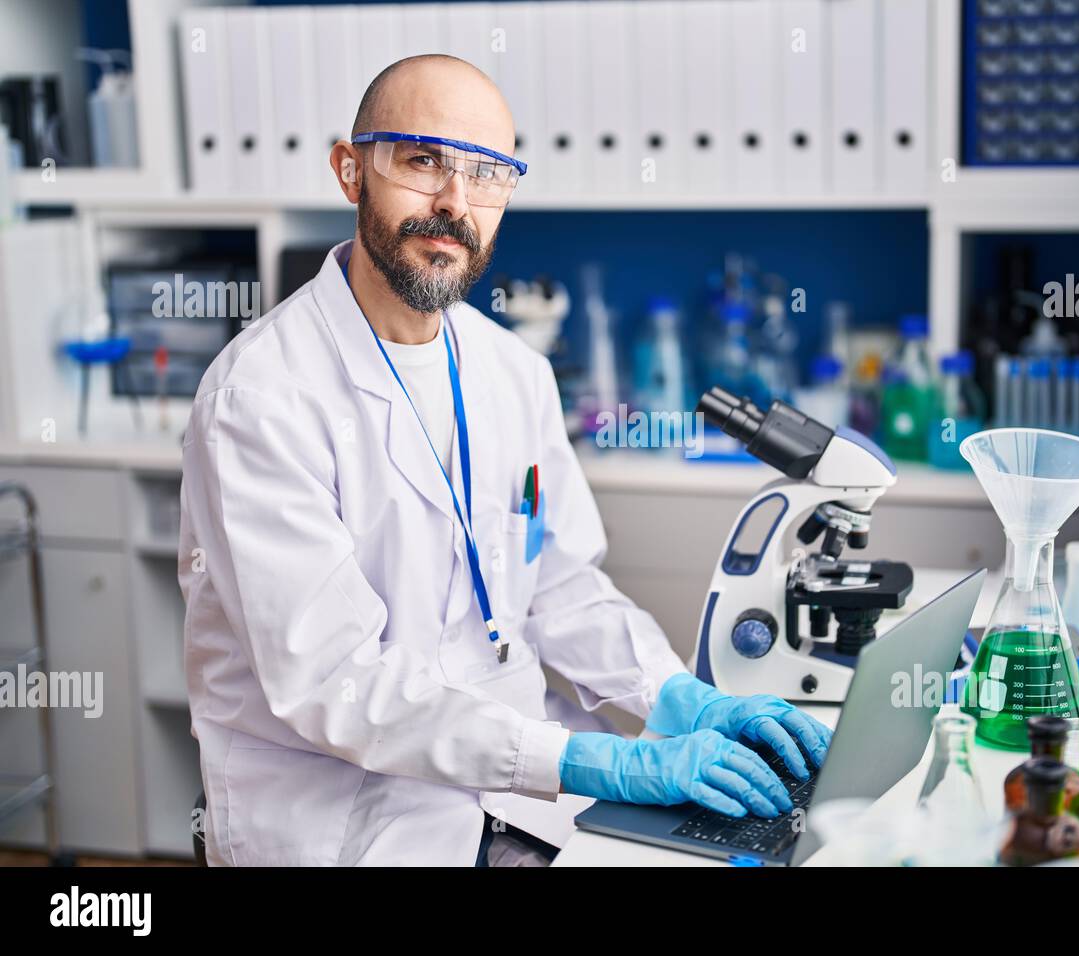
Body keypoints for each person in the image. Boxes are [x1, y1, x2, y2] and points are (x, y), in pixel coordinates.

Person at [179, 55, 832, 866]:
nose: (455, 203)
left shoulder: (510, 371)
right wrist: (601, 760)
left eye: (488, 174)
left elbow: (557, 583)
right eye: (423, 162)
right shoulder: (260, 398)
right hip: (348, 821)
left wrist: (675, 698)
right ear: (351, 172)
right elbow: (335, 685)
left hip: (517, 802)